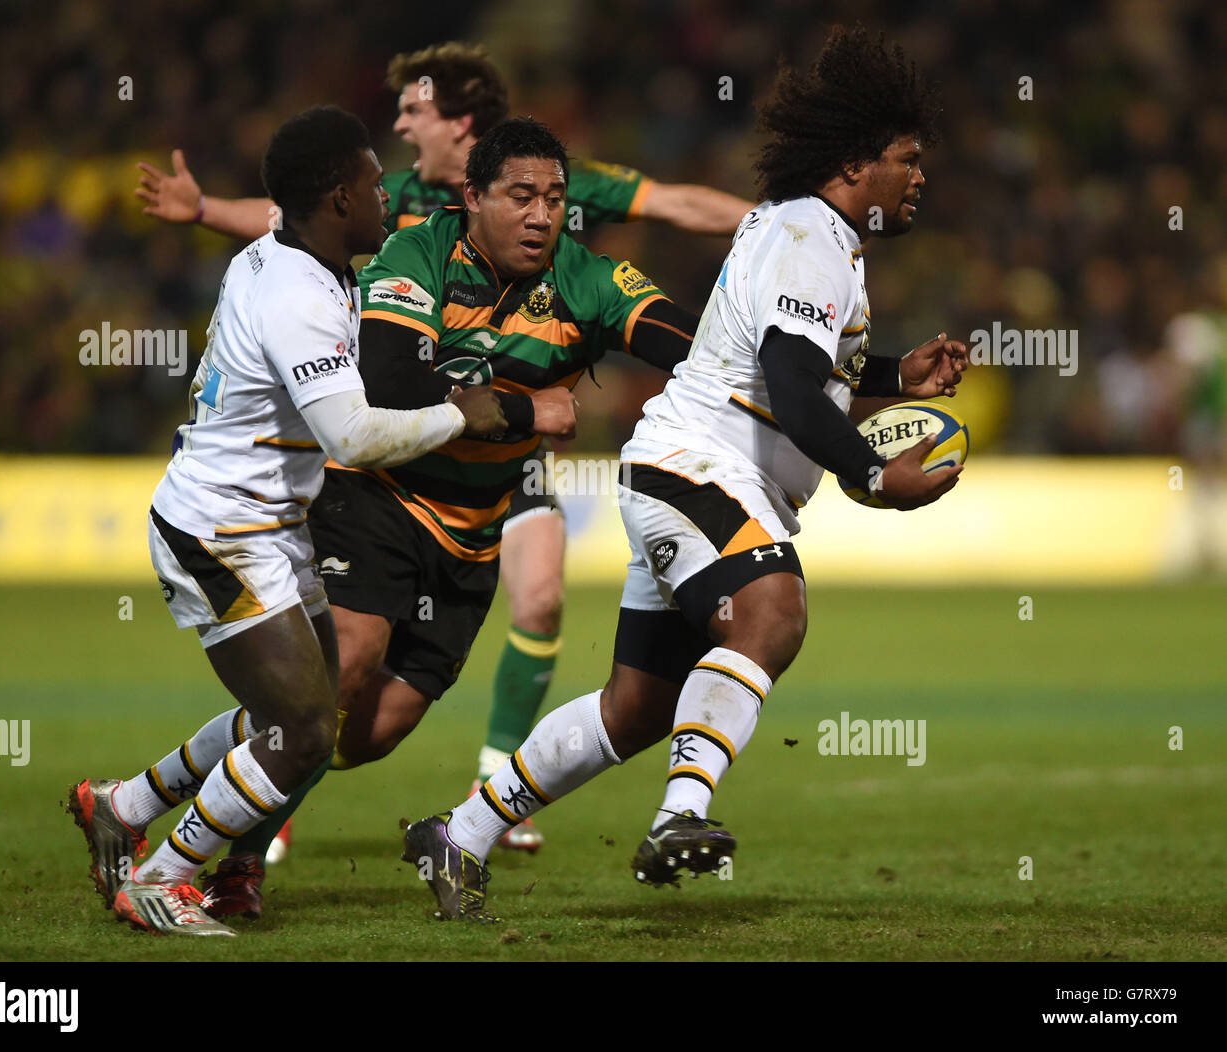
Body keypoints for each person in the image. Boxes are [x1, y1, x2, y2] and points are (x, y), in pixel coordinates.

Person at [403, 26, 970, 923]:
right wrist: (870, 475)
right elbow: (787, 379)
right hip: (700, 466)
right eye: (907, 158)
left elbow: (789, 360)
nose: (920, 176)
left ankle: (460, 834)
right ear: (858, 165)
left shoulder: (811, 237)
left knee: (636, 708)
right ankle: (680, 818)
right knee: (772, 611)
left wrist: (893, 375)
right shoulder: (809, 234)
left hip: (693, 472)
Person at [134, 41, 751, 856]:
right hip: (381, 490)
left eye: (554, 199)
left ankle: (149, 793)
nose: (542, 211)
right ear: (474, 195)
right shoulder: (407, 235)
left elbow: (693, 322)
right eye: (523, 197)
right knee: (335, 682)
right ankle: (217, 855)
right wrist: (519, 407)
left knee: (366, 730)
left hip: (476, 517)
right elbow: (380, 385)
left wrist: (780, 249)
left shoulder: (582, 261)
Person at [66, 105, 506, 936]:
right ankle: (161, 877)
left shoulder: (289, 245)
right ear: (340, 198)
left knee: (303, 707)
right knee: (304, 728)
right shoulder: (299, 295)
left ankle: (124, 806)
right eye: (377, 184)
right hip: (220, 531)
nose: (389, 198)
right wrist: (457, 413)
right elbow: (354, 435)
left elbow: (276, 211)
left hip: (268, 526)